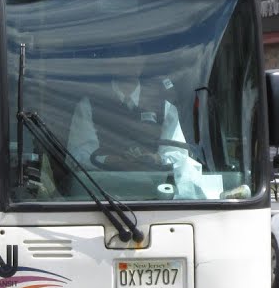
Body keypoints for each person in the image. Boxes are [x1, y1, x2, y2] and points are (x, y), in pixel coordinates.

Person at [66, 57, 209, 198]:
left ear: (142, 62)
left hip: (155, 195)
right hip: (100, 194)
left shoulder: (163, 103)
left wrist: (155, 159)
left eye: (134, 56)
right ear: (109, 63)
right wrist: (111, 160)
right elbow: (77, 156)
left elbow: (178, 154)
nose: (128, 61)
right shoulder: (90, 103)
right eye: (121, 55)